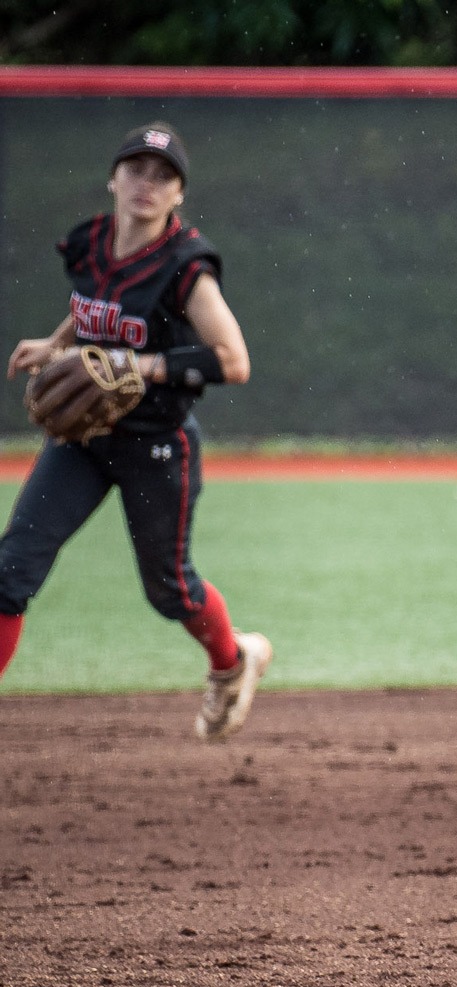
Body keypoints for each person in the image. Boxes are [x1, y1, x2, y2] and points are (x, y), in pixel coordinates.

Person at [1, 123, 272, 740]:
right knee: (10, 571)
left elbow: (233, 360)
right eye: (136, 170)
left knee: (169, 589)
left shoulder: (186, 268)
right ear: (113, 180)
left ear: (179, 195)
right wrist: (56, 342)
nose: (147, 184)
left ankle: (235, 661)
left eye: (163, 176)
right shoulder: (92, 243)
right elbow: (93, 306)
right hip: (84, 441)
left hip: (155, 445)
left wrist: (141, 365)